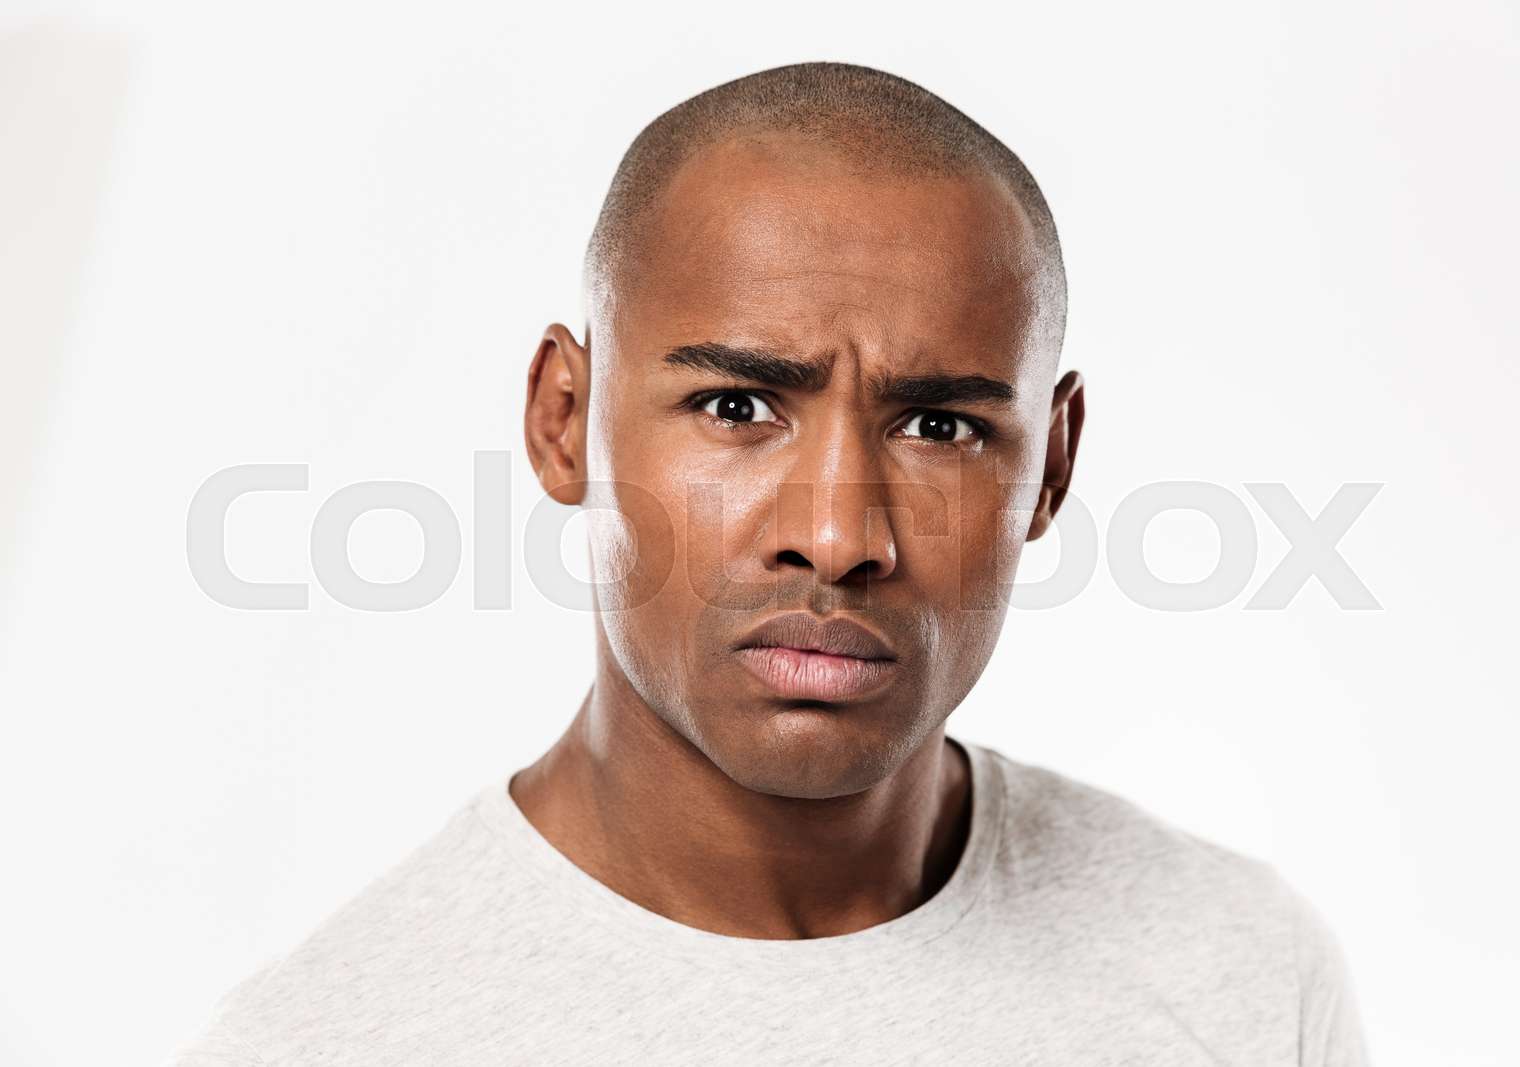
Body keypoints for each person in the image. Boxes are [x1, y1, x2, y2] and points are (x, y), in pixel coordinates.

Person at [174, 61, 1368, 1065]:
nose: (842, 538)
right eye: (738, 404)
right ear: (562, 418)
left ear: (1050, 468)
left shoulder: (1237, 970)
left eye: (940, 426)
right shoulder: (327, 1038)